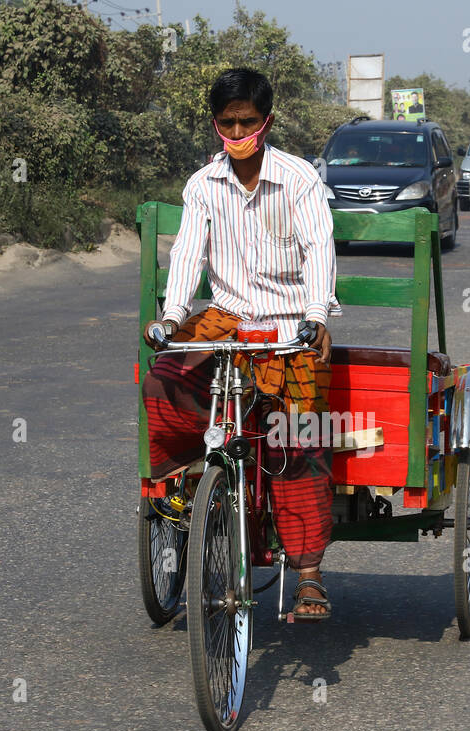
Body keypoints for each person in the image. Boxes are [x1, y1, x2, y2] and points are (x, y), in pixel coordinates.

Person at [142, 68, 339, 620]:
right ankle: (190, 488)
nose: (236, 131)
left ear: (266, 122)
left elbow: (319, 250)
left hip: (288, 323)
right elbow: (186, 257)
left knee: (296, 438)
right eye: (227, 122)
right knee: (164, 378)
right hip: (225, 319)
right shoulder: (202, 185)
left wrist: (317, 315)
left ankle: (308, 574)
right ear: (215, 125)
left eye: (246, 121)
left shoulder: (298, 179)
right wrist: (173, 316)